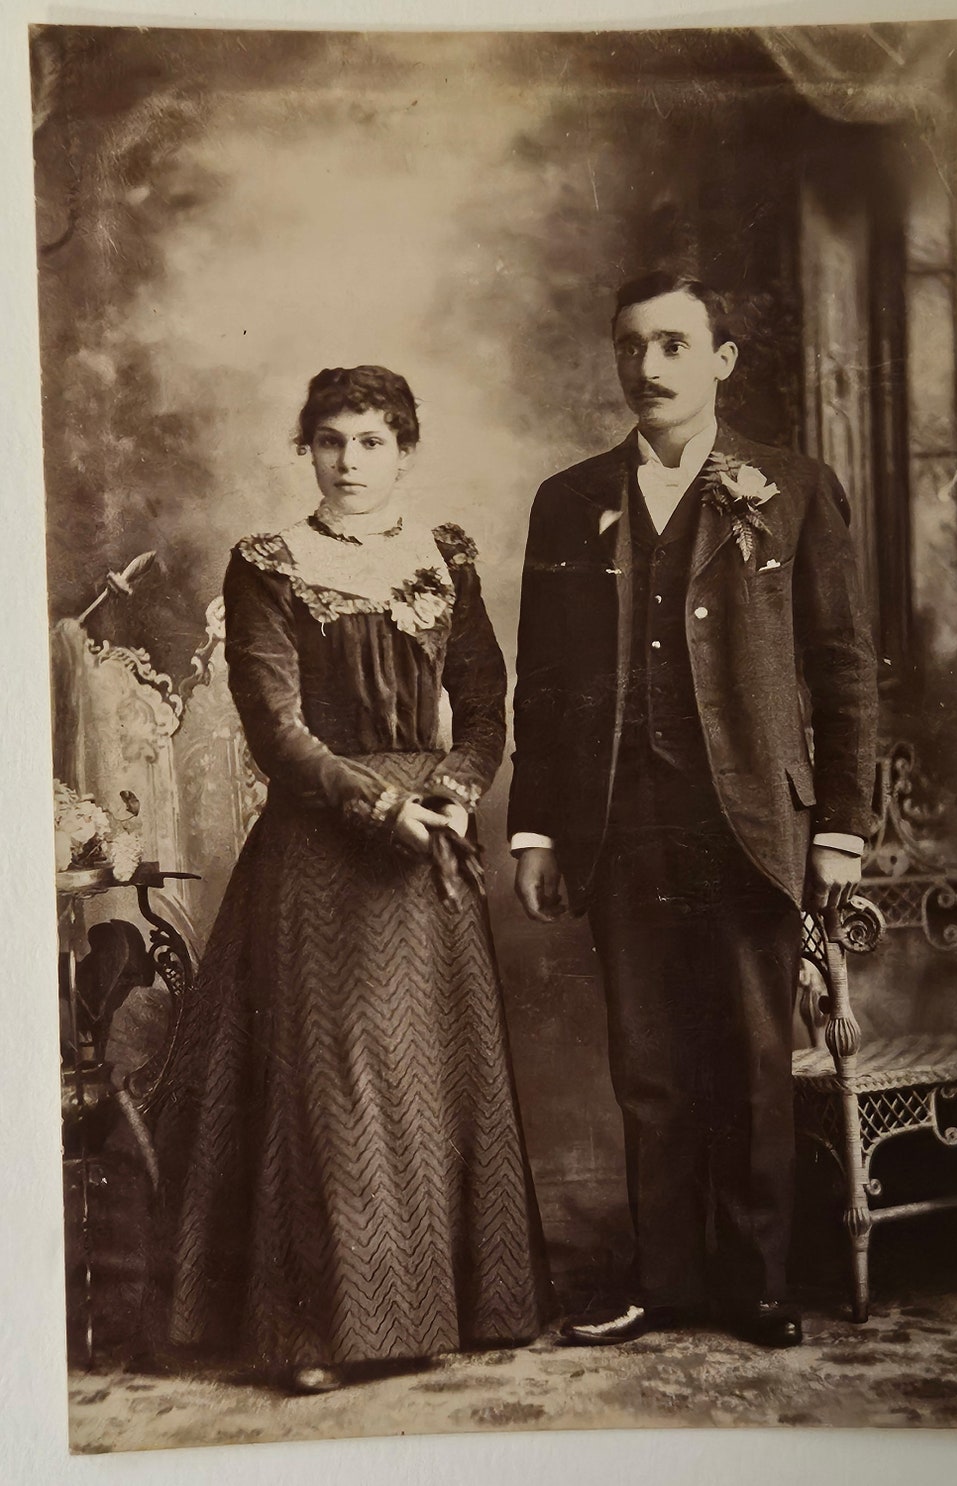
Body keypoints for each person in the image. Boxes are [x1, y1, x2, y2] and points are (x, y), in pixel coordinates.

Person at [155, 365, 548, 1393]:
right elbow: (275, 727)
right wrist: (382, 808)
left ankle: (438, 1310)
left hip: (434, 852)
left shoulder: (445, 557)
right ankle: (320, 1327)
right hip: (324, 846)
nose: (350, 461)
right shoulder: (268, 565)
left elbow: (487, 701)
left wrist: (458, 791)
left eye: (372, 440)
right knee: (337, 1081)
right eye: (330, 440)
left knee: (426, 1074)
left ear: (405, 448)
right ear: (308, 449)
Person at [508, 273, 877, 1348]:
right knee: (649, 1058)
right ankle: (663, 1280)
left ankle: (757, 1280)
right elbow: (544, 676)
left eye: (674, 344)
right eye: (632, 346)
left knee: (756, 1056)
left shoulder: (792, 486)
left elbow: (844, 667)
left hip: (753, 817)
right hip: (622, 818)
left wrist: (841, 826)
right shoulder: (570, 498)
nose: (649, 366)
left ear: (721, 359)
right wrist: (536, 825)